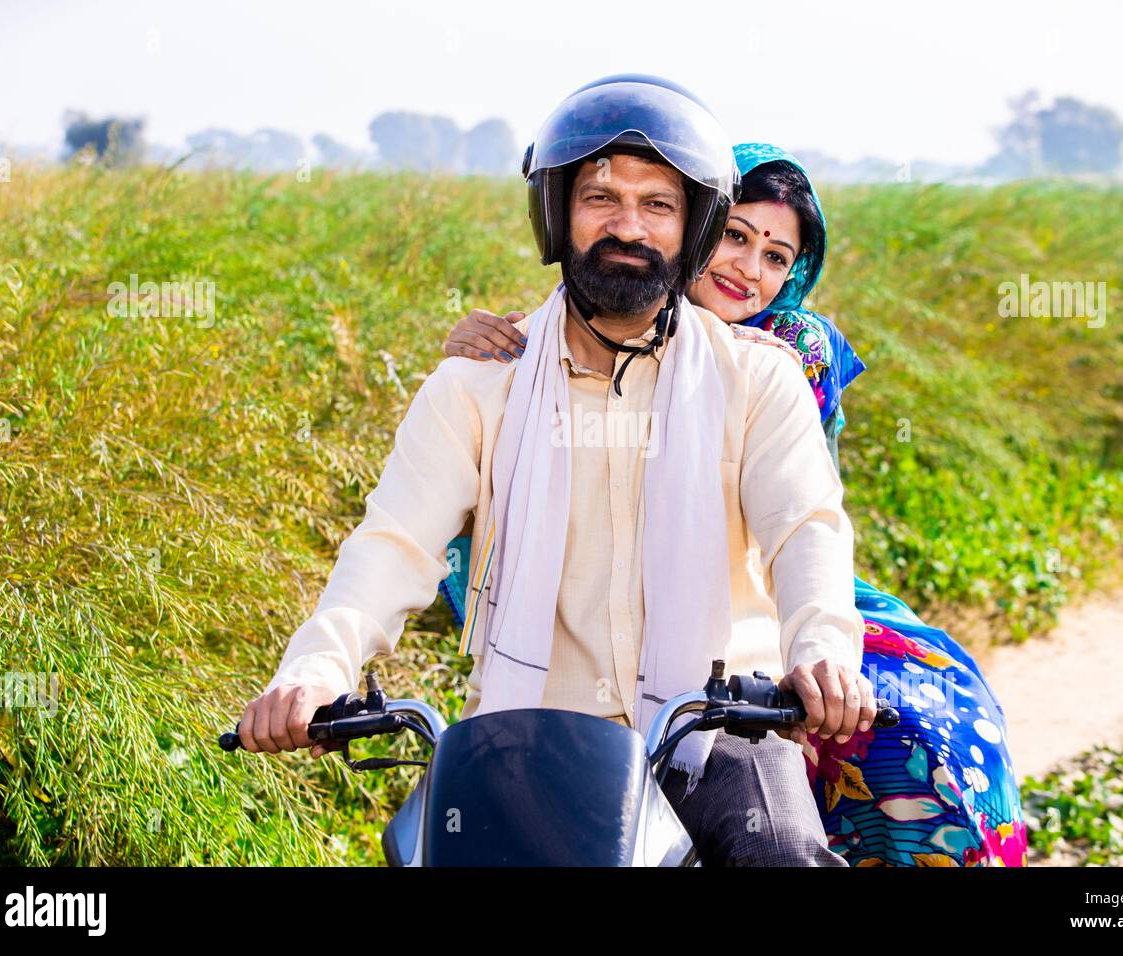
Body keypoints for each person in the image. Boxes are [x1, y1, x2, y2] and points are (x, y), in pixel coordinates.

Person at [239, 75, 877, 867]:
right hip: (528, 735)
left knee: (779, 854)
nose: (628, 226)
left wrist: (821, 649)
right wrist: (313, 669)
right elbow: (394, 544)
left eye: (659, 205)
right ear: (556, 214)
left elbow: (804, 529)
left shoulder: (759, 379)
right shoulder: (477, 385)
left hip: (719, 730)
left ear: (693, 227)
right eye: (600, 197)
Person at [442, 142, 1028, 867]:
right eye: (737, 236)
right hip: (587, 641)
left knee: (913, 729)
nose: (750, 269)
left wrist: (821, 650)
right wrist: (478, 355)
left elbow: (800, 527)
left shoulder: (784, 352)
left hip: (756, 600)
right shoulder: (584, 322)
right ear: (696, 224)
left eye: (777, 257)